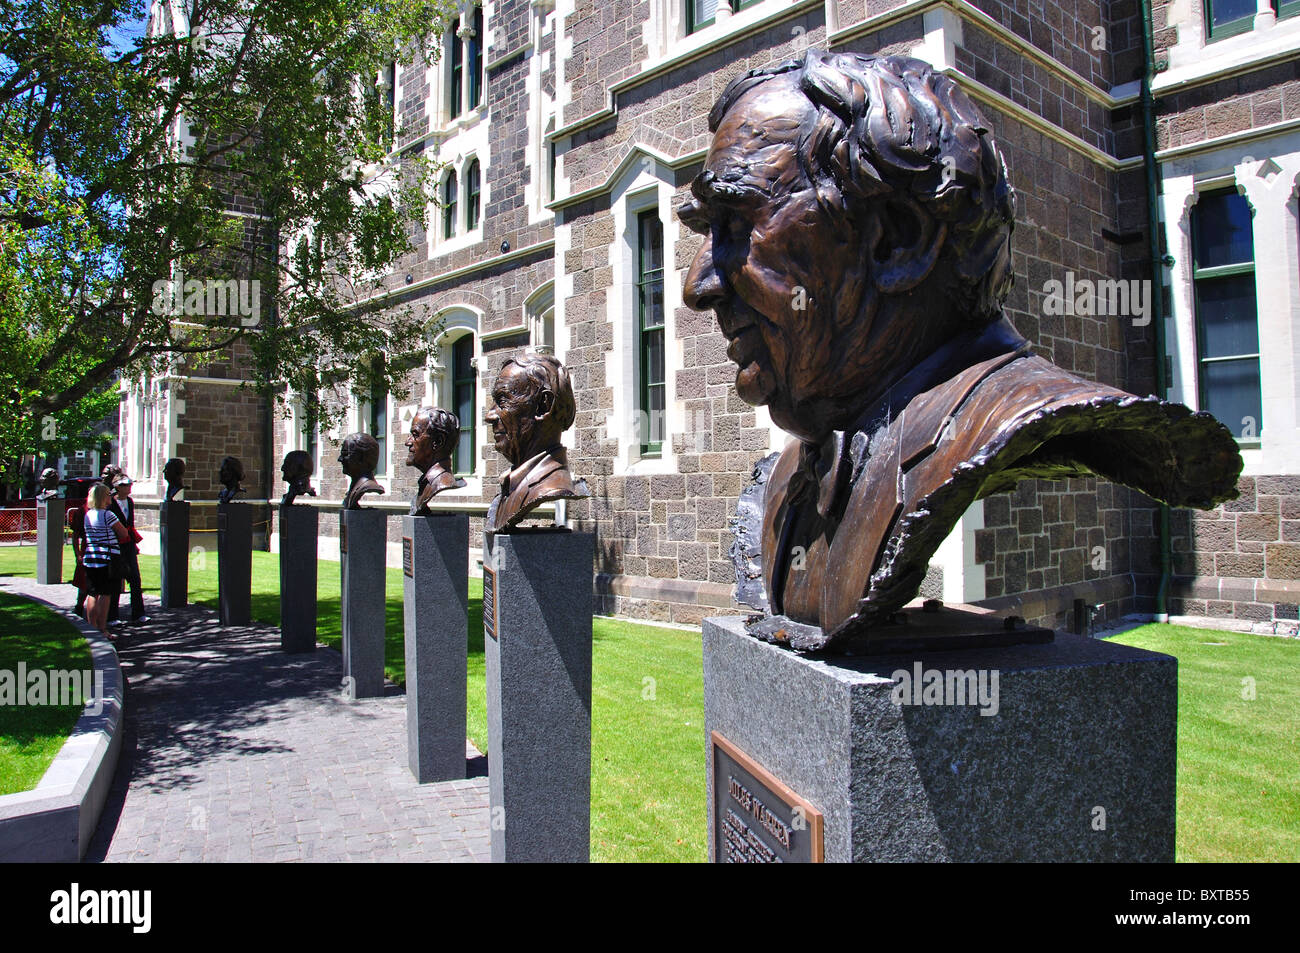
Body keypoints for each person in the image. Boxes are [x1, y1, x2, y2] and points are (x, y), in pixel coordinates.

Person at [679, 50, 1242, 648]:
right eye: (706, 231)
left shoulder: (1006, 419)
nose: (698, 286)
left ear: (899, 239)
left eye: (738, 225)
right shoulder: (787, 481)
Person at [483, 354, 589, 533]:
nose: (490, 416)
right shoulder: (507, 491)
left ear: (543, 405)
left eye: (502, 401)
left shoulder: (551, 487)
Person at [81, 483, 130, 636]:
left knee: (92, 592)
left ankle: (91, 627)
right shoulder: (107, 515)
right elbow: (123, 533)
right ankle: (102, 628)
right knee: (105, 593)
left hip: (91, 557)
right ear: (103, 497)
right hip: (106, 558)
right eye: (108, 494)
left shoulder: (88, 515)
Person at [405, 407, 465, 515]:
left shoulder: (441, 483)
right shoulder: (425, 485)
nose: (407, 442)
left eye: (415, 435)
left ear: (437, 442)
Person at [108, 476, 147, 624]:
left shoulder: (130, 502)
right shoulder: (110, 502)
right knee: (116, 580)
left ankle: (138, 613)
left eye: (130, 484)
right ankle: (112, 616)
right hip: (116, 545)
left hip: (128, 544)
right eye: (125, 485)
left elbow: (130, 524)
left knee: (135, 579)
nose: (129, 487)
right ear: (117, 487)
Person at [339, 433, 384, 509]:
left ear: (361, 458)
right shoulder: (353, 488)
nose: (340, 459)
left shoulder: (367, 486)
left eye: (345, 454)